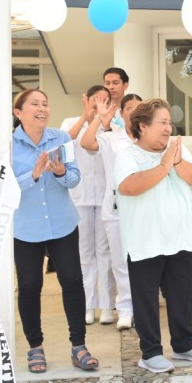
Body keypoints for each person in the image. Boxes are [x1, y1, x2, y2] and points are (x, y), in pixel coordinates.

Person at [115, 99, 192, 373]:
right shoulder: (128, 155)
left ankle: (183, 345)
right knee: (146, 298)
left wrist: (176, 160)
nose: (169, 128)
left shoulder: (177, 151)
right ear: (143, 126)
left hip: (179, 237)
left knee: (182, 293)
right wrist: (163, 166)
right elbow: (129, 187)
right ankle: (150, 352)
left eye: (170, 122)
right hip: (145, 240)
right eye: (162, 122)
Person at [11, 88, 98, 374]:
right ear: (18, 112)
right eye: (34, 104)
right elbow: (6, 188)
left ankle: (79, 346)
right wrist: (34, 174)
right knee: (29, 287)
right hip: (26, 227)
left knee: (73, 282)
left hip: (62, 223)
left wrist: (60, 173)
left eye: (45, 104)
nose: (42, 108)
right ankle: (35, 347)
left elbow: (74, 178)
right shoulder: (8, 145)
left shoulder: (61, 138)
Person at [79, 92, 142, 331]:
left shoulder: (150, 138)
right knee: (119, 261)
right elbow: (86, 143)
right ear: (121, 112)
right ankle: (125, 309)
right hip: (115, 207)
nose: (134, 113)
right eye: (129, 109)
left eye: (139, 108)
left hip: (144, 207)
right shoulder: (110, 138)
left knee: (143, 259)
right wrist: (98, 118)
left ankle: (142, 307)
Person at [62, 85, 114, 326]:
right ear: (86, 100)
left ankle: (106, 305)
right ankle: (87, 305)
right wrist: (86, 117)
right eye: (95, 99)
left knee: (104, 252)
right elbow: (63, 144)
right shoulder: (71, 121)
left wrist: (105, 122)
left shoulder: (113, 124)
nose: (99, 104)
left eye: (104, 100)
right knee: (84, 253)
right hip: (79, 196)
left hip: (105, 197)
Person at [102, 67, 130, 131]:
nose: (111, 87)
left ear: (125, 85)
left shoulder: (134, 109)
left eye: (115, 83)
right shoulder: (100, 111)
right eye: (107, 83)